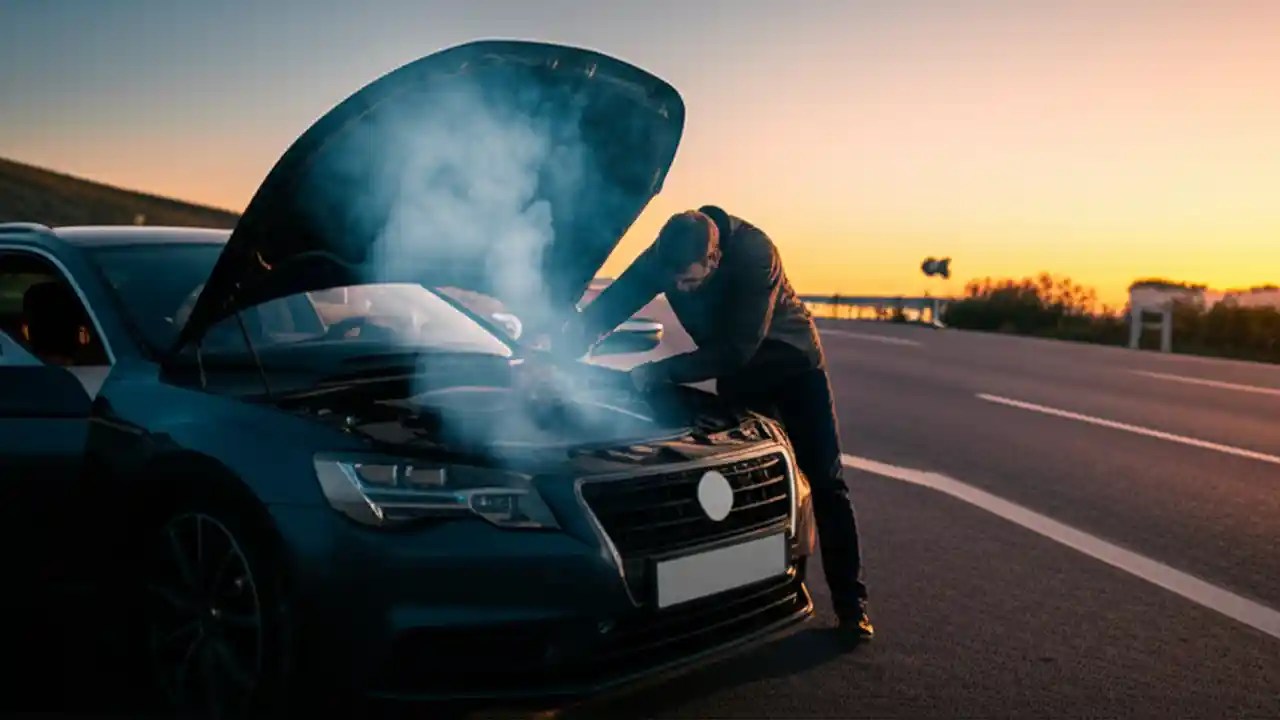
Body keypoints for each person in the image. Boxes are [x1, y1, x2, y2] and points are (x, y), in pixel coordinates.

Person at [559, 206, 873, 641]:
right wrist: (558, 351)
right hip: (738, 374)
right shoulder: (664, 258)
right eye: (672, 284)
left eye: (689, 282)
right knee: (735, 484)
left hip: (791, 365)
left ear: (715, 260)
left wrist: (658, 370)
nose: (679, 291)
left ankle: (850, 606)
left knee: (825, 480)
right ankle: (730, 601)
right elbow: (609, 307)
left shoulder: (755, 253)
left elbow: (736, 349)